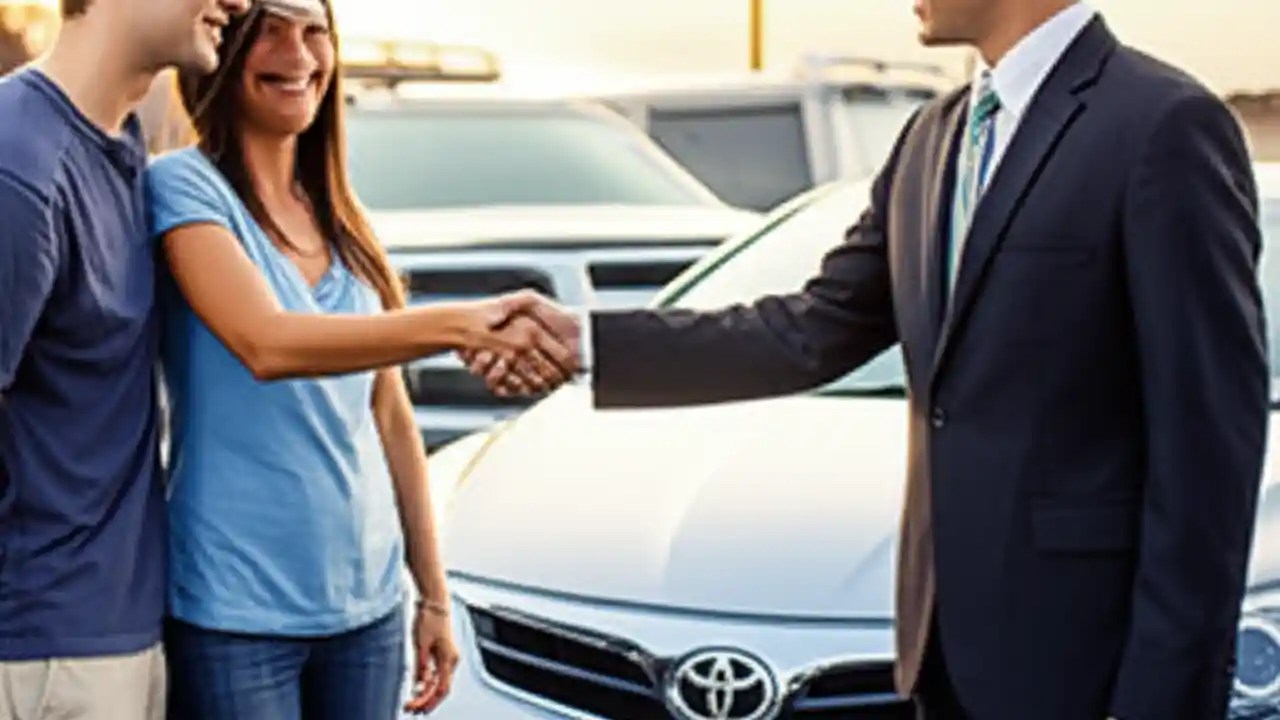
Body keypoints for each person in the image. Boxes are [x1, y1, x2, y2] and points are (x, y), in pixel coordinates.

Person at [467, 1, 1270, 718]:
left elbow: (1208, 451)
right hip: (934, 654)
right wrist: (589, 342)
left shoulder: (1165, 124)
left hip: (1082, 658)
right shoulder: (933, 136)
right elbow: (813, 328)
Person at [144, 1, 573, 718]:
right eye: (273, 29)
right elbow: (266, 342)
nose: (300, 54)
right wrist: (457, 324)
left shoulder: (343, 217)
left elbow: (391, 420)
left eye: (315, 32)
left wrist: (430, 593)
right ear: (231, 45)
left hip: (368, 614)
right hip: (235, 615)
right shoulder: (183, 187)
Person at [0, 0, 252, 718]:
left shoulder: (120, 144)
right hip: (43, 654)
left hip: (115, 636)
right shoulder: (17, 164)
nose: (237, 3)